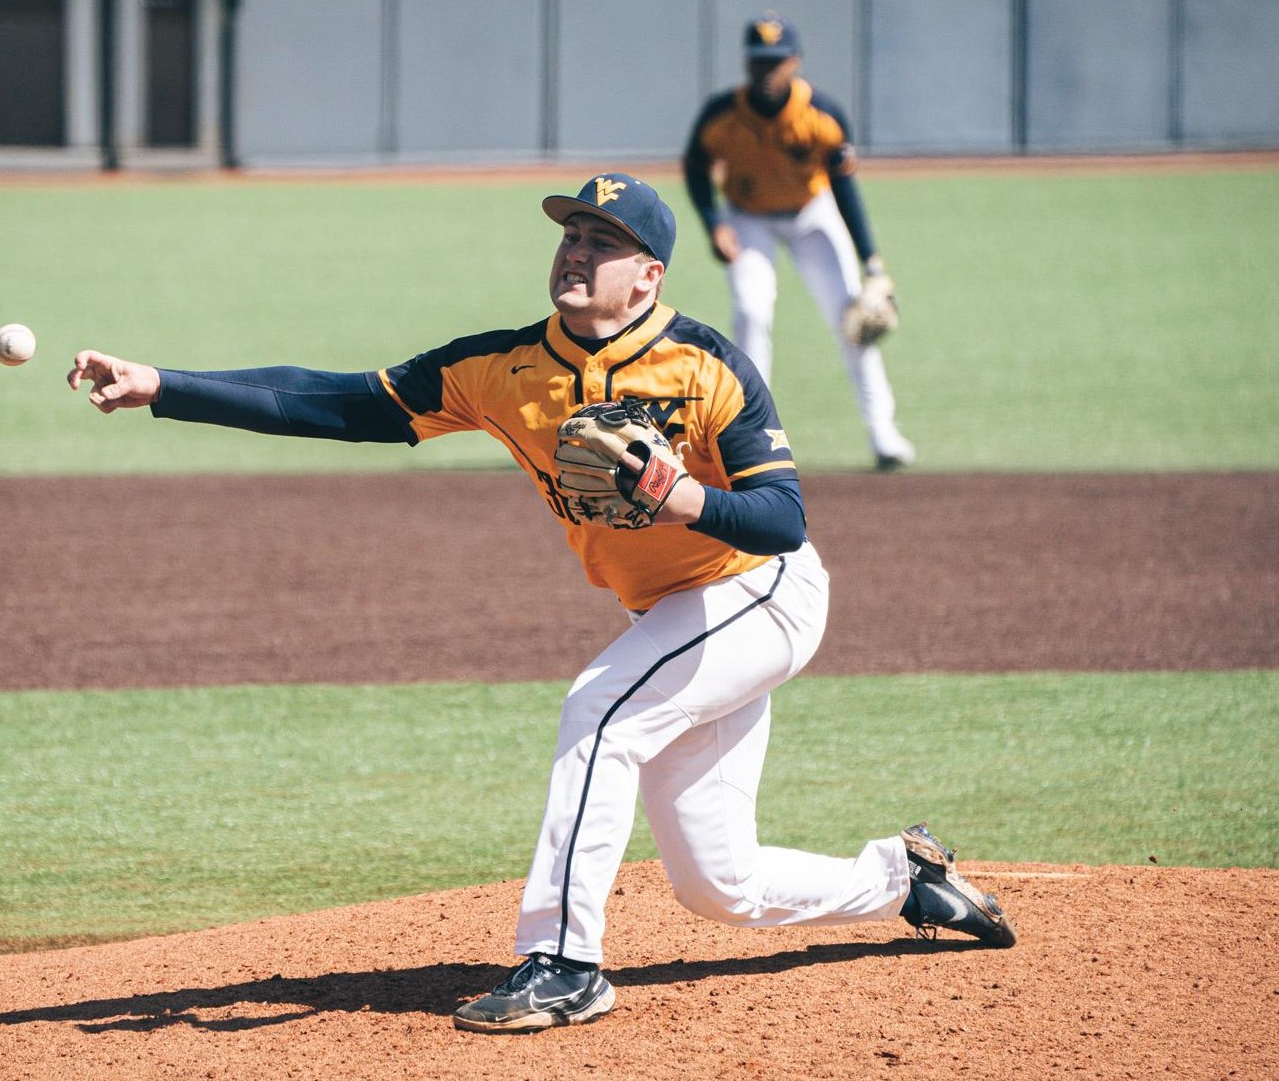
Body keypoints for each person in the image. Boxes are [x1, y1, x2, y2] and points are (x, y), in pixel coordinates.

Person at [66, 173, 1014, 1033]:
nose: (574, 251)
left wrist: (681, 496)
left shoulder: (706, 365)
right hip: (675, 620)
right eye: (569, 233)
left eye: (600, 243)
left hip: (759, 593)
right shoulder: (505, 368)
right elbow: (341, 400)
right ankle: (905, 877)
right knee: (721, 883)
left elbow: (781, 516)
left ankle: (564, 962)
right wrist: (165, 388)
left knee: (600, 709)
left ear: (645, 276)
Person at [683, 12, 917, 471]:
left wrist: (871, 259)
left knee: (853, 317)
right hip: (748, 219)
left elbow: (844, 186)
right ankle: (748, 437)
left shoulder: (821, 115)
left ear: (795, 62)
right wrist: (714, 223)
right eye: (758, 62)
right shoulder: (722, 114)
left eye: (776, 61)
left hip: (813, 215)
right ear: (747, 64)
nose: (766, 71)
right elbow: (694, 166)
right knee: (751, 312)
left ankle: (883, 432)